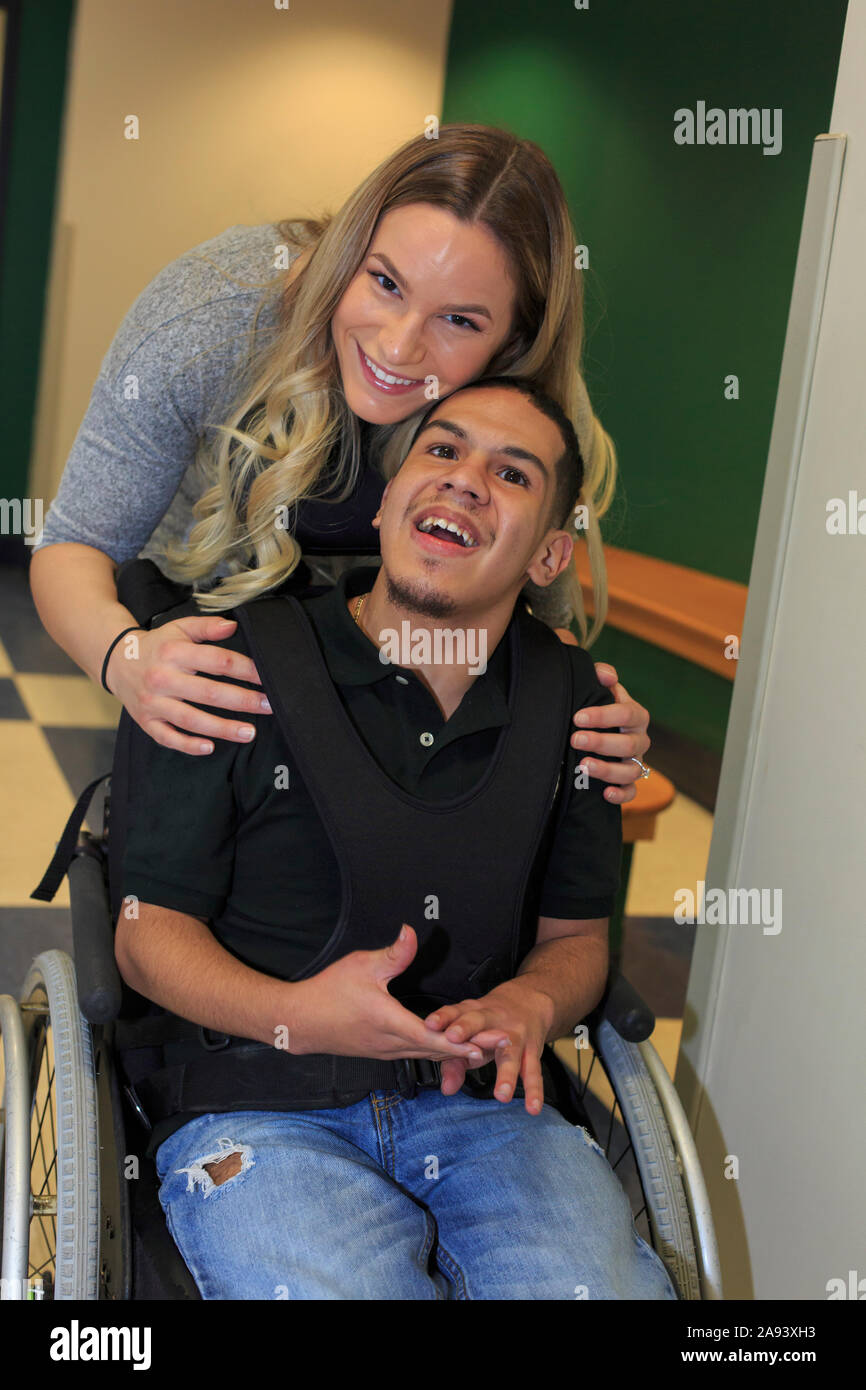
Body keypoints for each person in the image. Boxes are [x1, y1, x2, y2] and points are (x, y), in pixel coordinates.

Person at [113, 377, 678, 1301]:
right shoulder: (224, 664)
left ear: (549, 554)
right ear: (385, 502)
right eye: (443, 451)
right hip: (259, 1098)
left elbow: (575, 945)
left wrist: (533, 1005)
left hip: (484, 1106)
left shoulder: (579, 710)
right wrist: (295, 1013)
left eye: (512, 473)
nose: (464, 481)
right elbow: (146, 935)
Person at [29, 123, 652, 799]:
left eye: (460, 321)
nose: (397, 346)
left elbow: (540, 630)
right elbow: (74, 546)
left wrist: (599, 723)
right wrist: (127, 661)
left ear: (513, 345)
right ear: (348, 251)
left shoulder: (531, 416)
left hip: (390, 693)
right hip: (203, 642)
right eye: (385, 282)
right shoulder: (209, 320)